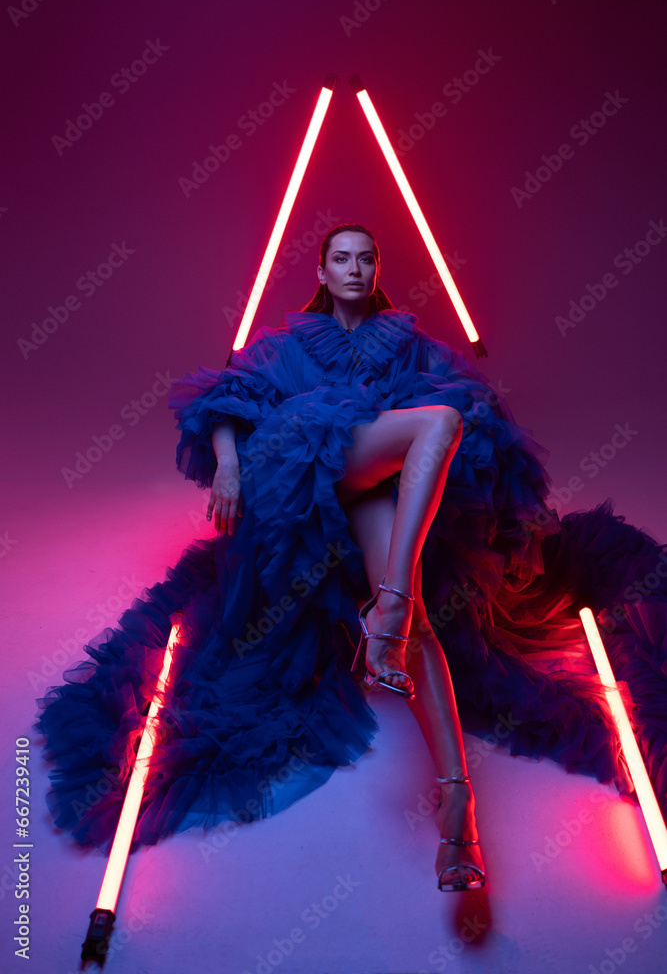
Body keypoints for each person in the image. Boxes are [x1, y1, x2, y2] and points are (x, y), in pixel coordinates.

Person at [36, 224, 667, 893]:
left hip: (380, 503)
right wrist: (225, 467)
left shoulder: (409, 342)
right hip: (307, 490)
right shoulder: (287, 345)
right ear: (321, 268)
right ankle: (390, 609)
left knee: (428, 508)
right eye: (342, 258)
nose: (355, 269)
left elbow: (476, 400)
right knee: (434, 424)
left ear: (376, 268)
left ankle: (457, 805)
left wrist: (514, 502)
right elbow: (226, 399)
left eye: (366, 258)